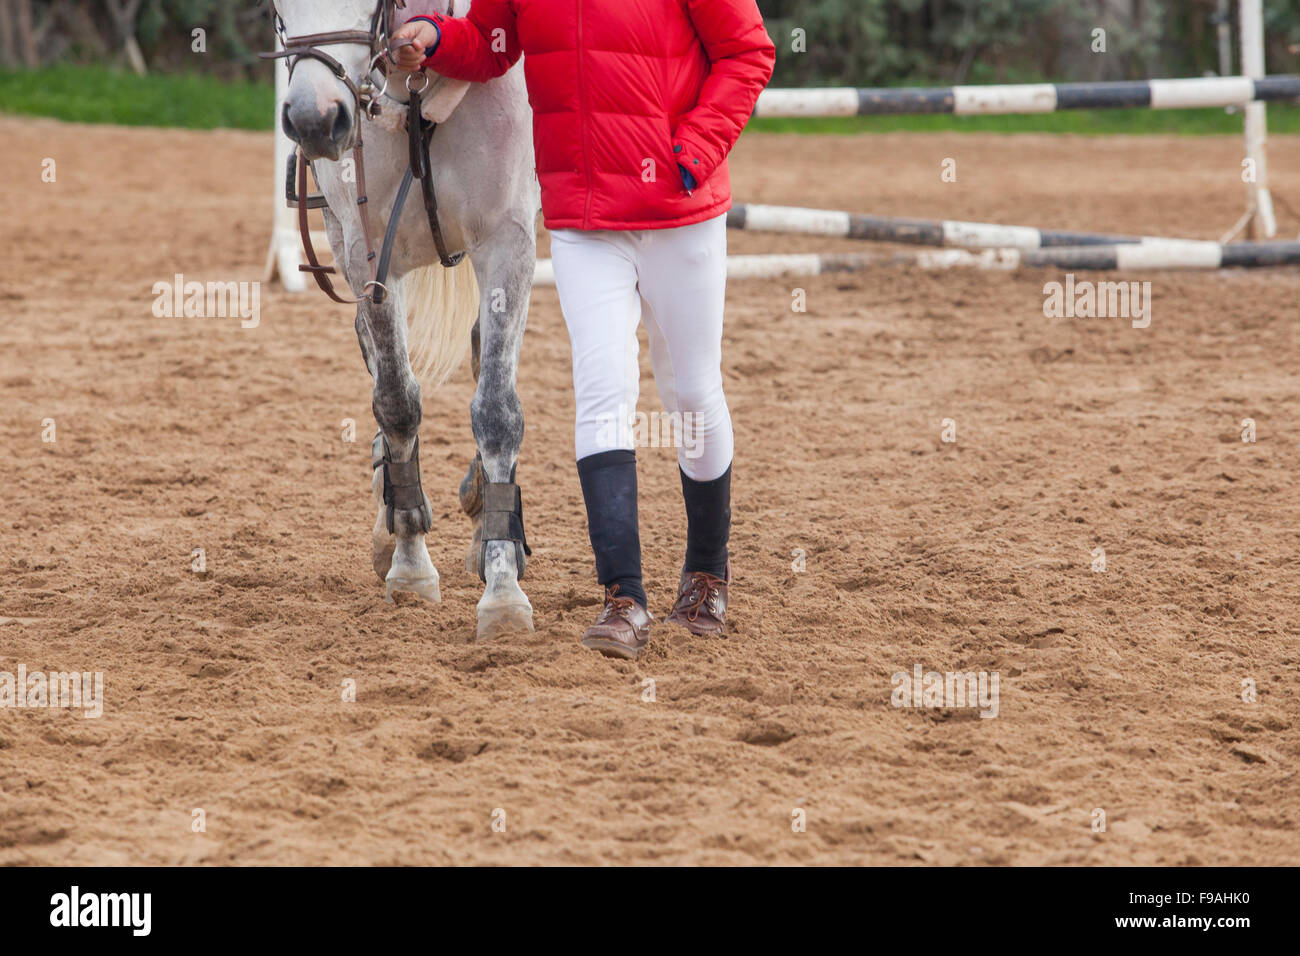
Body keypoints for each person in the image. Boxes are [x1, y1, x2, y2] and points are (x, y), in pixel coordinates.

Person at [393, 0, 776, 660]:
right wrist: (434, 38)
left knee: (691, 393)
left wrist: (694, 150)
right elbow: (491, 45)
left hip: (680, 211)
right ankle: (624, 599)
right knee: (603, 391)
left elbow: (747, 54)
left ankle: (707, 575)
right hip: (583, 220)